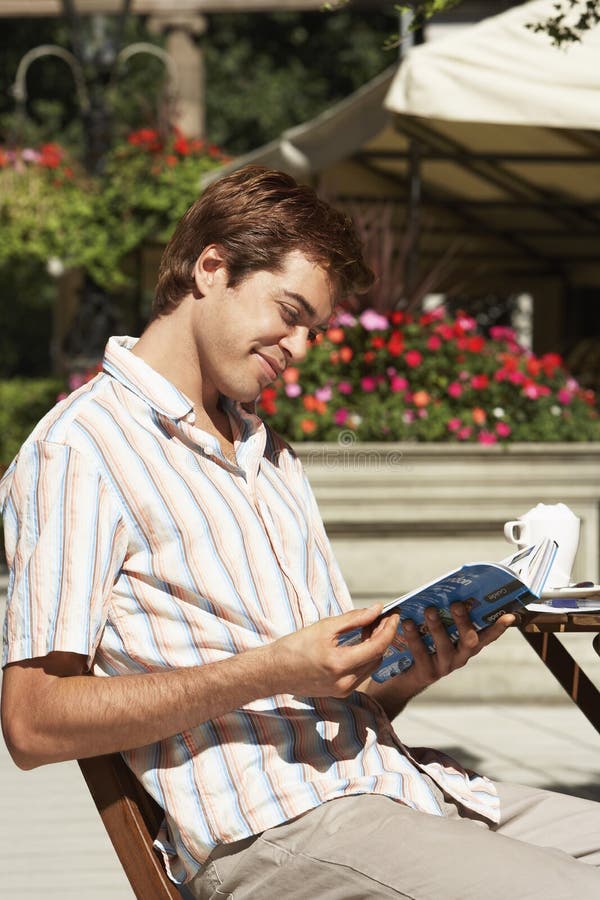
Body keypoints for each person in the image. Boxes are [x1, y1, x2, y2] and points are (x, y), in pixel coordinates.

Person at [1, 166, 599, 900]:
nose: (301, 349)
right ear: (211, 267)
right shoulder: (79, 452)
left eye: (313, 329)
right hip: (279, 831)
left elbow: (315, 690)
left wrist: (403, 673)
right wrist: (272, 670)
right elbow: (31, 723)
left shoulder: (268, 453)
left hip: (403, 787)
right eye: (289, 313)